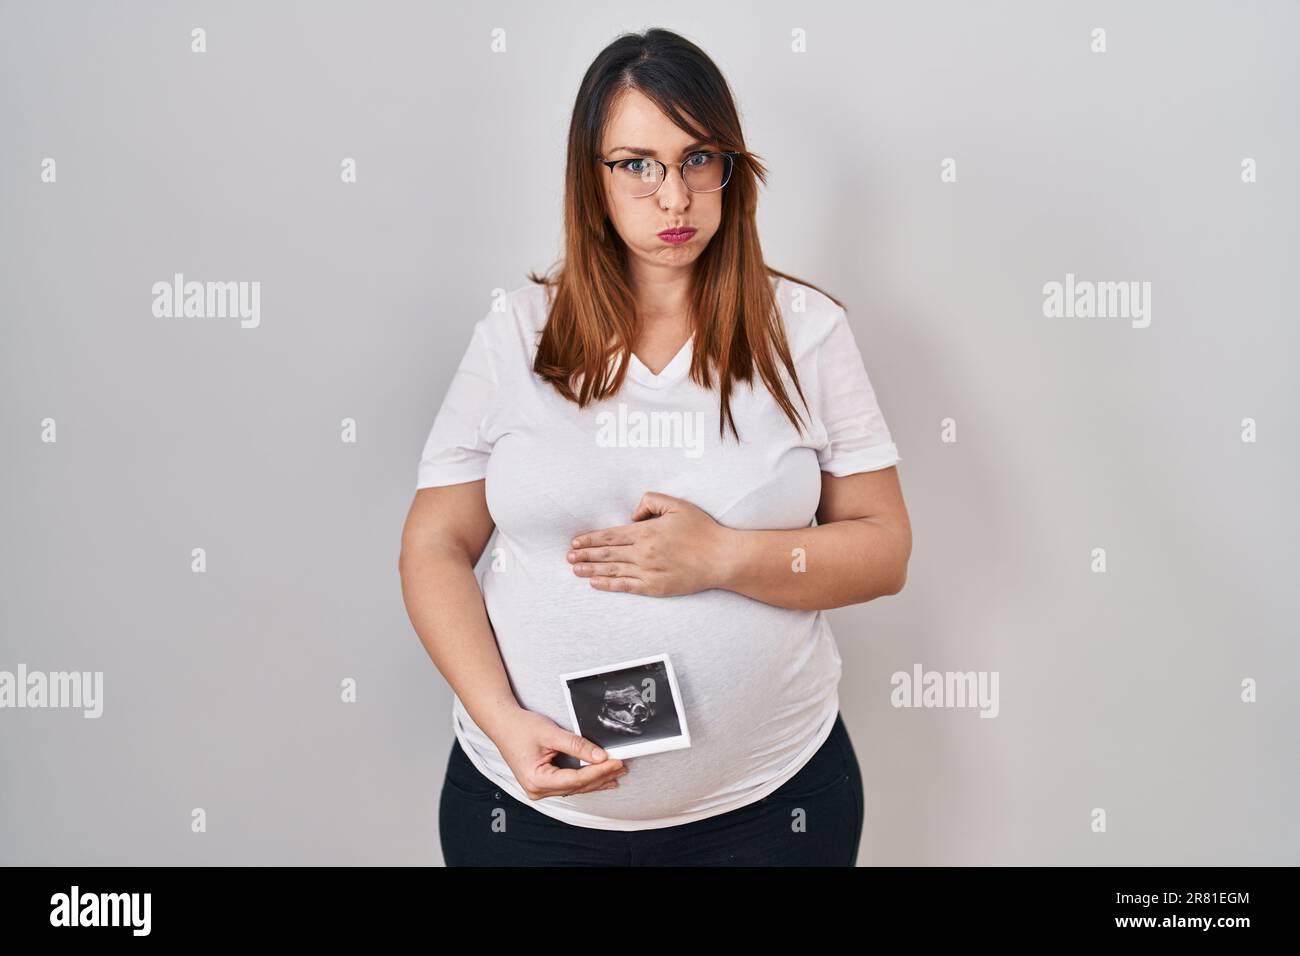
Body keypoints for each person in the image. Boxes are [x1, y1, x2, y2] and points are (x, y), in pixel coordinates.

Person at [399, 27, 911, 866]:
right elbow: (433, 546)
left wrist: (721, 557)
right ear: (591, 178)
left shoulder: (807, 332)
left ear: (730, 169)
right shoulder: (515, 334)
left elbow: (885, 550)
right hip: (529, 816)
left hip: (769, 812)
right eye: (638, 164)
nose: (674, 198)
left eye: (697, 159)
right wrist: (503, 720)